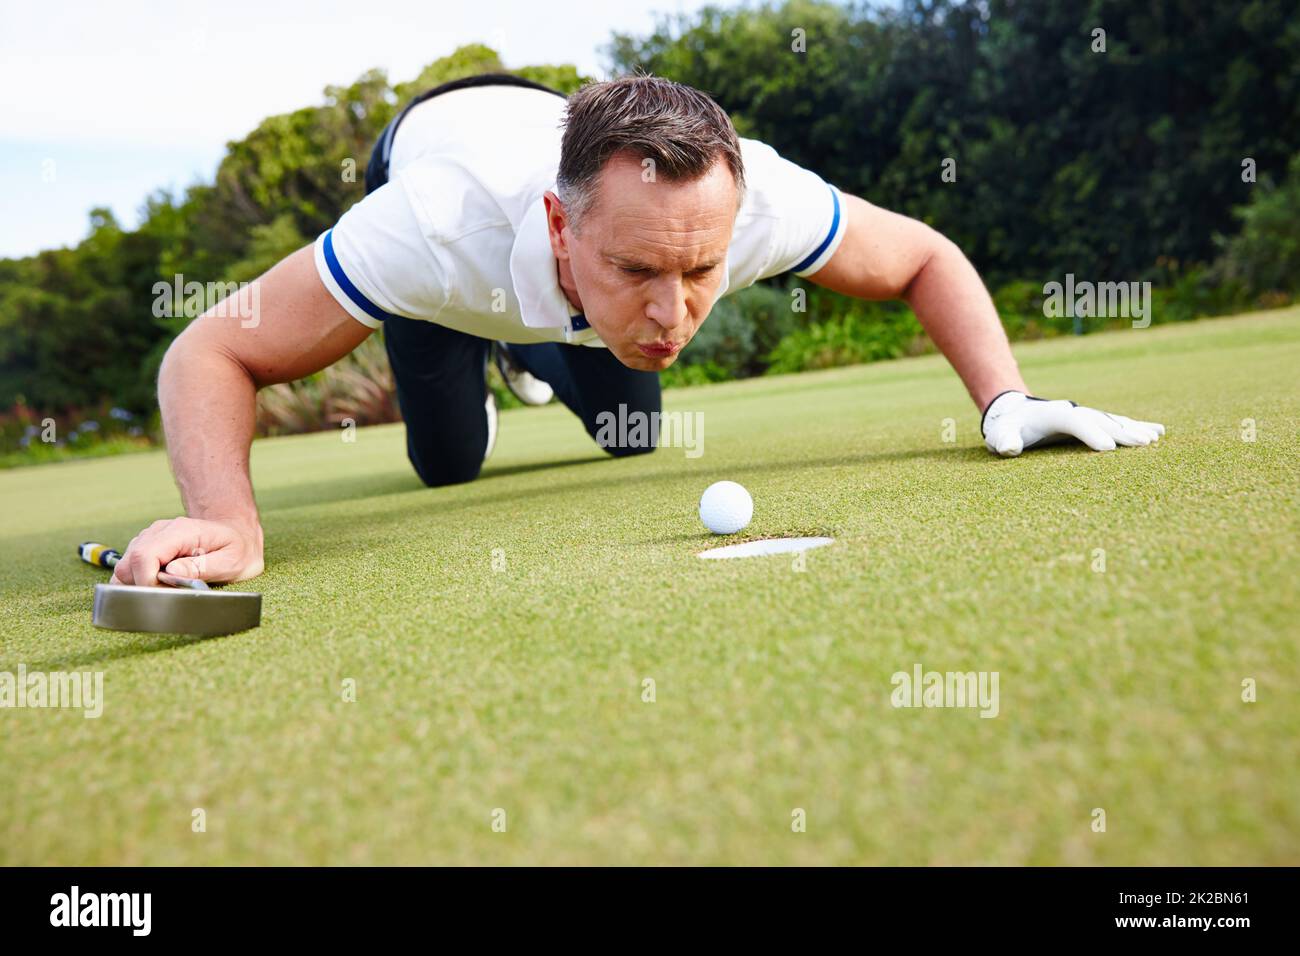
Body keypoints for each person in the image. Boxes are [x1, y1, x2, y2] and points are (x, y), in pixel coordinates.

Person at [110, 73, 1164, 586]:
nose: (673, 316)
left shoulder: (756, 201)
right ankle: (485, 345)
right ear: (563, 228)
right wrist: (232, 522)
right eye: (635, 270)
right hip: (438, 184)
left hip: (543, 154)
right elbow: (212, 347)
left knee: (633, 428)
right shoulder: (425, 229)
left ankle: (538, 348)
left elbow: (924, 255)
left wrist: (1005, 396)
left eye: (699, 271)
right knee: (445, 460)